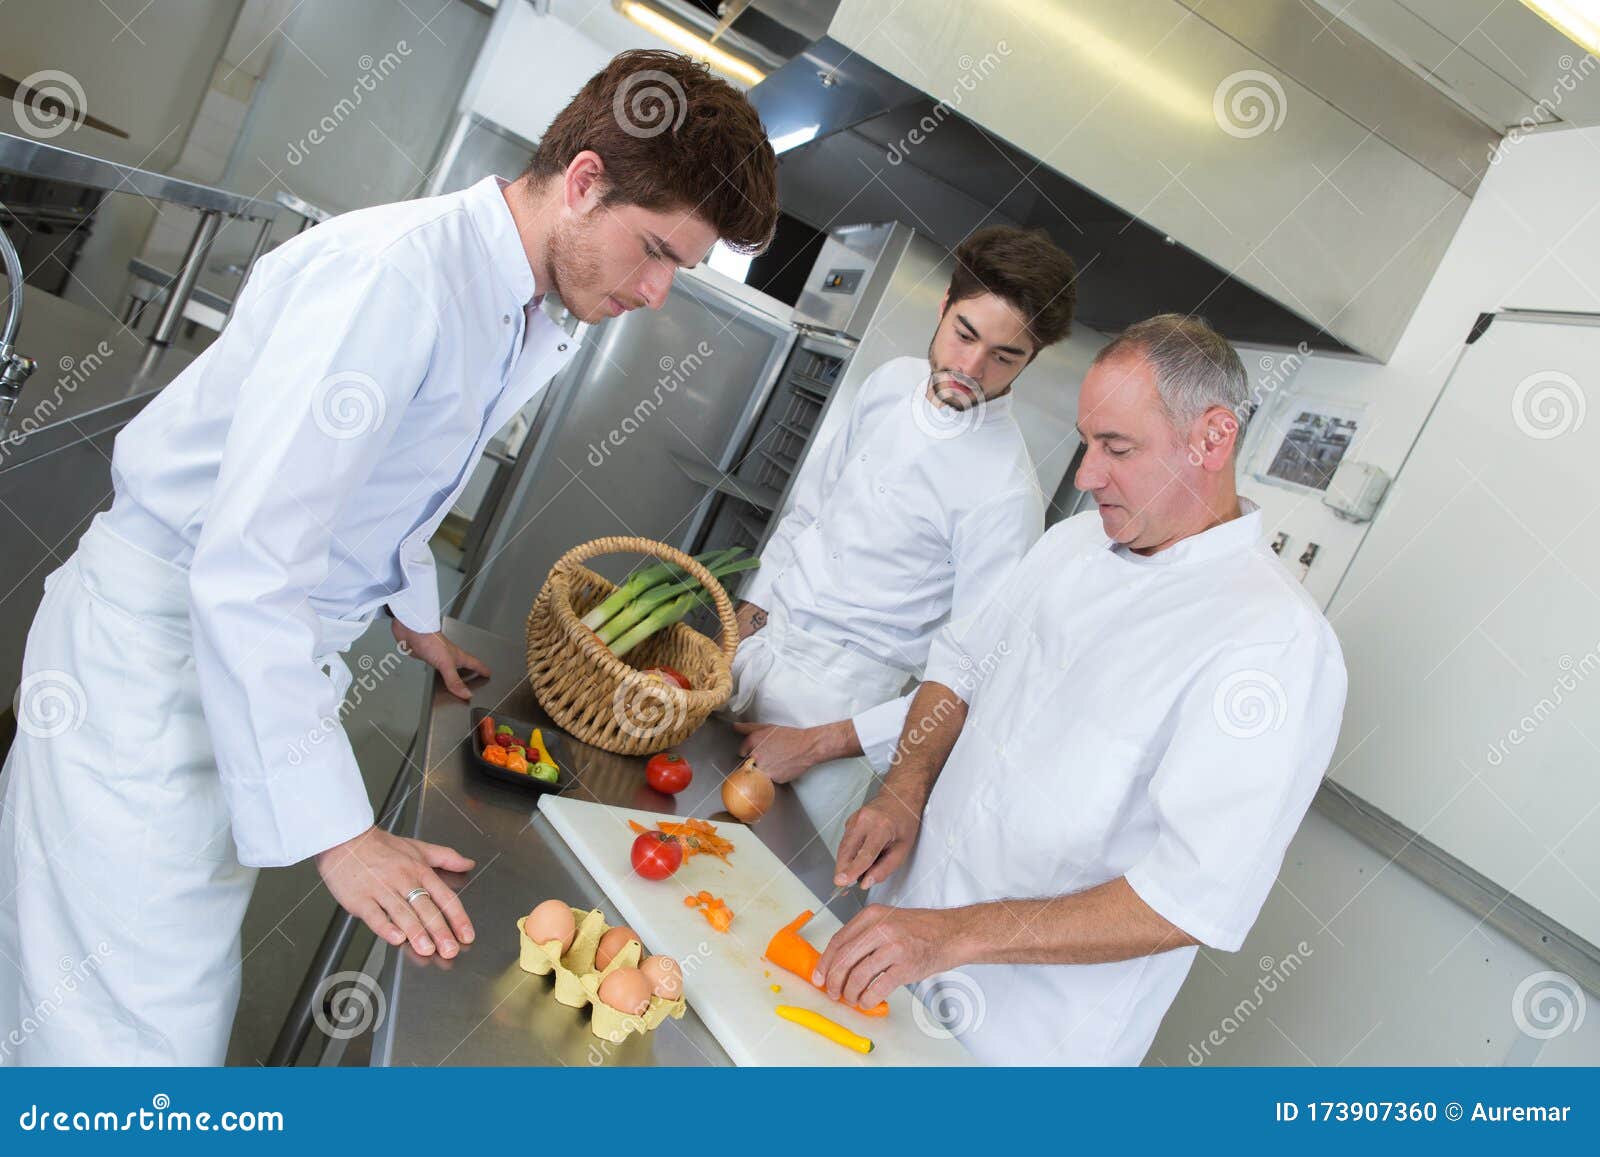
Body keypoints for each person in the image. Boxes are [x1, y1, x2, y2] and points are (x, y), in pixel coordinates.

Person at [0, 49, 777, 1066]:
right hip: (150, 668)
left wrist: (417, 620)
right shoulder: (395, 280)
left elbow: (392, 487)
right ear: (585, 182)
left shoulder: (509, 300)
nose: (659, 291)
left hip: (236, 668)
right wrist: (341, 833)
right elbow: (250, 566)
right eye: (657, 251)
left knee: (99, 1007)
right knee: (125, 1038)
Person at [814, 314, 1348, 1065]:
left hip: (1018, 1042)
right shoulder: (1072, 542)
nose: (1087, 475)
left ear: (1213, 437)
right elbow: (961, 666)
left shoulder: (1274, 642)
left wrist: (954, 934)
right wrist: (905, 788)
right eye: (1088, 442)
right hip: (893, 957)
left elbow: (1187, 897)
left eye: (1117, 448)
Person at [726, 227, 1078, 853]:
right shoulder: (890, 383)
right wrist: (735, 635)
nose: (970, 369)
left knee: (748, 873)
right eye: (964, 334)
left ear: (1031, 359)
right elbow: (809, 514)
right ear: (944, 306)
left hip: (833, 714)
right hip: (754, 658)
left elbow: (968, 677)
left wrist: (816, 744)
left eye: (1004, 357)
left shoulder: (1006, 492)